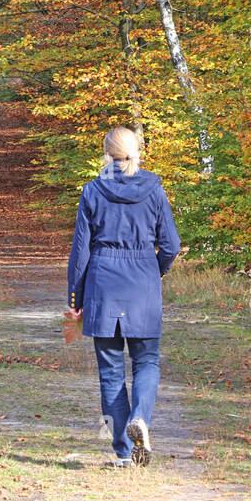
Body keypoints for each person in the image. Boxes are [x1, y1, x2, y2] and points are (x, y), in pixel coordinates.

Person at [66, 126, 181, 467]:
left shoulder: (92, 191)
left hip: (104, 289)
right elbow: (171, 245)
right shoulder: (154, 190)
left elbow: (80, 254)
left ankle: (121, 453)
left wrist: (75, 300)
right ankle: (140, 417)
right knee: (146, 361)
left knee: (110, 373)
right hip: (142, 287)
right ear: (137, 152)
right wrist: (154, 270)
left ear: (106, 156)